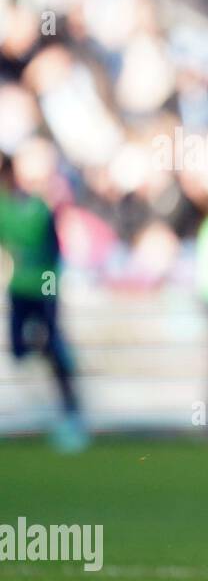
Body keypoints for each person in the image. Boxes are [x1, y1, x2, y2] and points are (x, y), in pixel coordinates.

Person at [0, 151, 86, 451]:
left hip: (43, 287)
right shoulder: (5, 208)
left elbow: (53, 252)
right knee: (21, 350)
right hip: (19, 288)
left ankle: (70, 414)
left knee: (52, 344)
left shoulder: (37, 208)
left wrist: (49, 290)